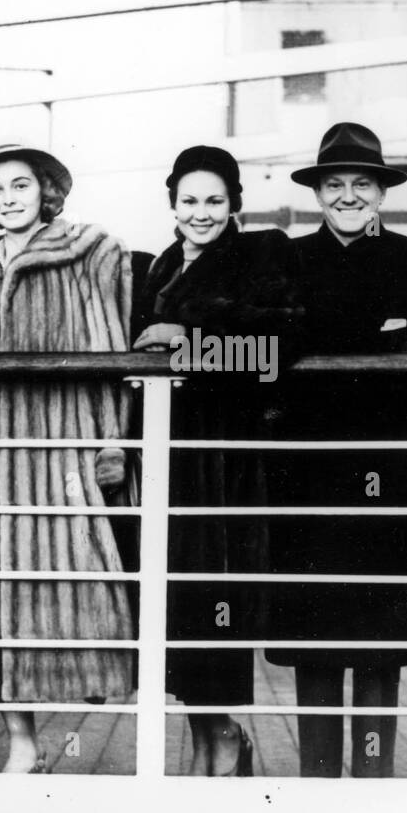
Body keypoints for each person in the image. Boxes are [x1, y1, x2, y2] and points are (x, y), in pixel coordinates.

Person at [0, 143, 135, 774]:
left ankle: (71, 729)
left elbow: (112, 351)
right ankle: (21, 741)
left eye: (21, 185)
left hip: (55, 445)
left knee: (62, 589)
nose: (10, 198)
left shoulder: (90, 250)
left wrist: (112, 439)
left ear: (46, 190)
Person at [265, 122, 407, 778]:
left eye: (362, 184)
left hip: (390, 482)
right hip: (308, 484)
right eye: (335, 184)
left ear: (382, 192)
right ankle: (317, 785)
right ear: (318, 191)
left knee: (380, 648)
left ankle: (373, 788)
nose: (348, 195)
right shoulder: (284, 262)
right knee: (316, 646)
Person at [132, 145, 303, 776]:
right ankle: (208, 740)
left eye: (213, 200)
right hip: (170, 453)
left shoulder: (263, 251)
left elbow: (275, 347)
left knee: (216, 594)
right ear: (172, 204)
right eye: (189, 201)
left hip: (227, 454)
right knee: (179, 598)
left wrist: (188, 340)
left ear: (235, 203)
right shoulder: (161, 266)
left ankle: (226, 735)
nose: (200, 213)